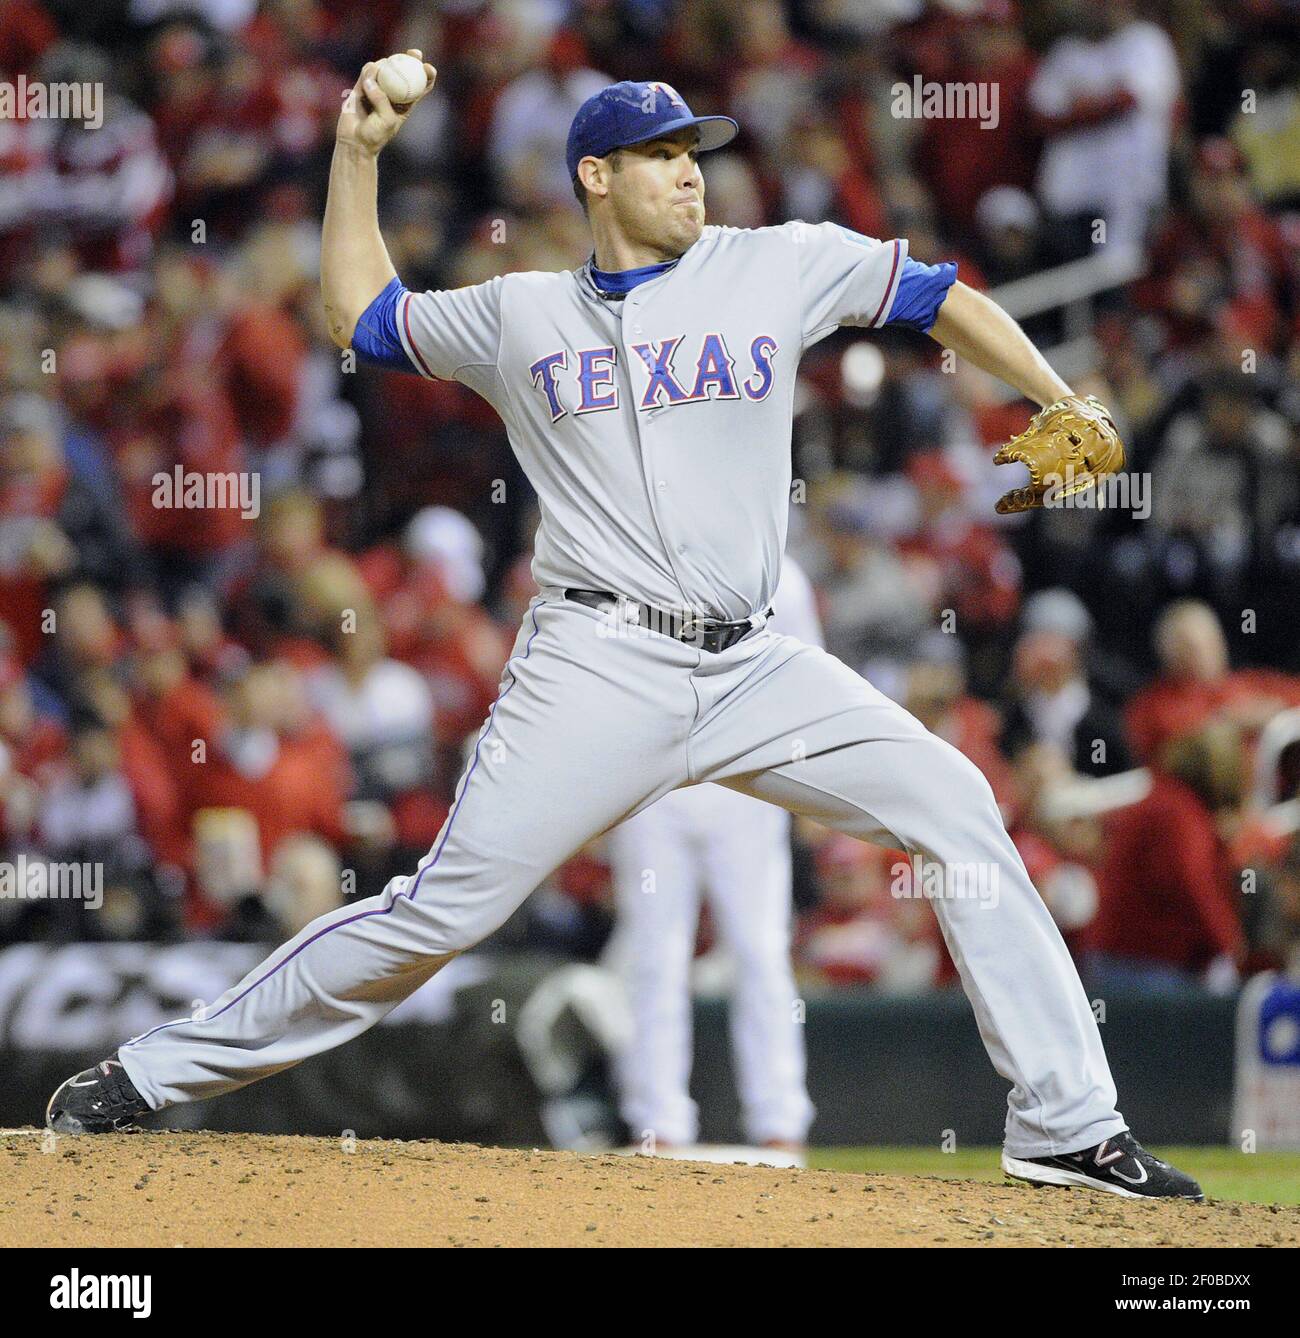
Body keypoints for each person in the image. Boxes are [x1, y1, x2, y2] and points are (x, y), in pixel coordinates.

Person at [48, 61, 1202, 1202]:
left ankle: (1065, 1126)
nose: (688, 177)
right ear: (595, 175)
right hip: (597, 664)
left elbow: (936, 293)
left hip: (755, 662)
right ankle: (149, 1076)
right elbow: (362, 312)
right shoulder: (520, 313)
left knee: (954, 802)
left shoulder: (774, 263)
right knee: (443, 910)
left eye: (691, 154)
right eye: (659, 157)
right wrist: (356, 153)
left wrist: (1053, 394)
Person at [604, 557, 821, 1162]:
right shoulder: (640, 563)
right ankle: (657, 1121)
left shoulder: (780, 575)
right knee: (653, 953)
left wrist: (802, 784)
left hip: (745, 785)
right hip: (655, 781)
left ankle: (780, 1120)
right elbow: (610, 678)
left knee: (759, 949)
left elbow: (807, 685)